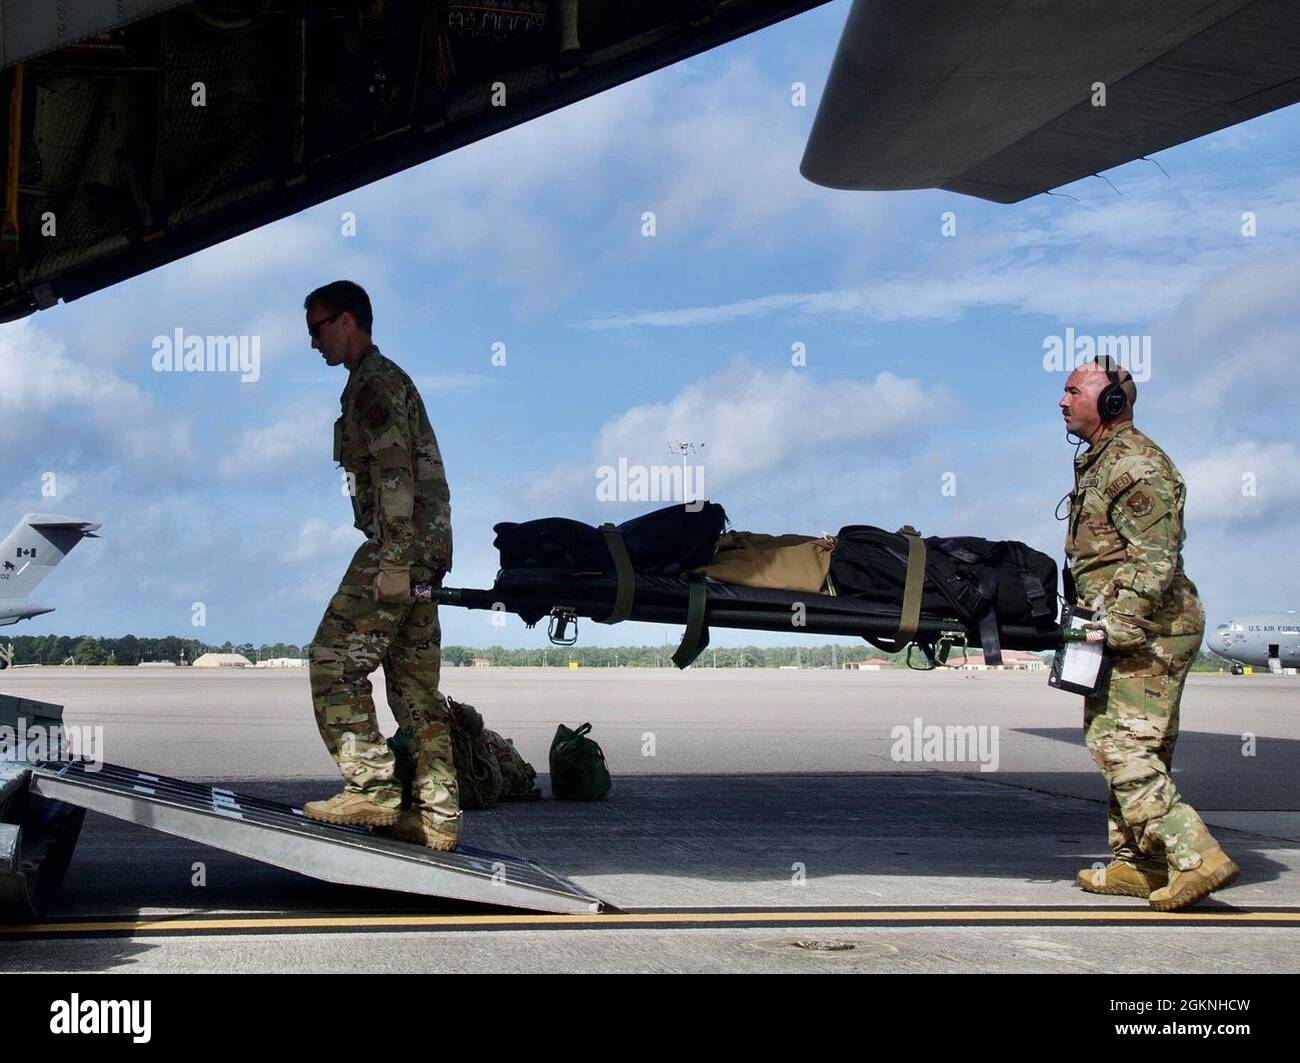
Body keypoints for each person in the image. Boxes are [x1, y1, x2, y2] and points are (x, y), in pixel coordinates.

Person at [1059, 356, 1238, 910]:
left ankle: (1195, 855)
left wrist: (1117, 625)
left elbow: (1156, 557)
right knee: (1141, 744)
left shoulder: (1135, 465)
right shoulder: (1103, 460)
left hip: (1149, 627)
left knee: (1119, 743)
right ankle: (1139, 864)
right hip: (1122, 622)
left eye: (1072, 391)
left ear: (1111, 403)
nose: (1062, 402)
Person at [301, 280, 460, 851]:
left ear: (347, 321)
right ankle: (439, 816)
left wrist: (392, 559)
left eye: (317, 328)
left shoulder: (373, 385)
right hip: (423, 553)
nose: (312, 342)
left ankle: (371, 784)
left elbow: (395, 473)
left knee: (331, 663)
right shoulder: (379, 380)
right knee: (416, 690)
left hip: (400, 550)